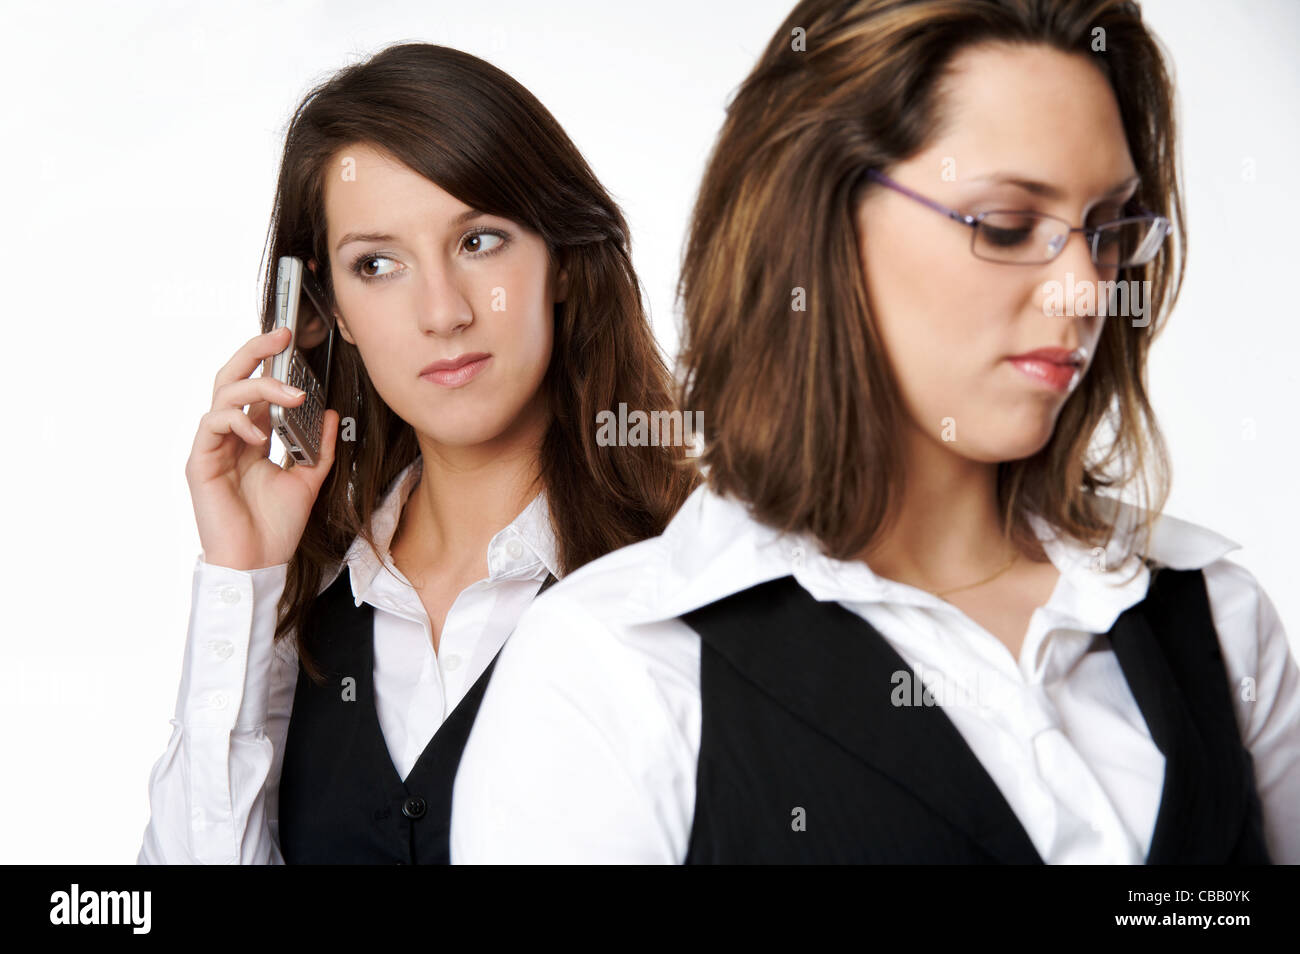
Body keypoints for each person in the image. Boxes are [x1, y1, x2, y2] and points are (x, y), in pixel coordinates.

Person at [450, 0, 1300, 863]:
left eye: (1108, 228)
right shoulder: (614, 674)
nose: (1086, 291)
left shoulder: (1218, 618)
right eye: (1007, 225)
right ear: (818, 223)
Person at [137, 42, 698, 864]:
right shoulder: (304, 613)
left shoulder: (697, 577)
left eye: (479, 241)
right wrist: (243, 579)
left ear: (563, 263)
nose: (443, 311)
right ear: (329, 312)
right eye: (379, 264)